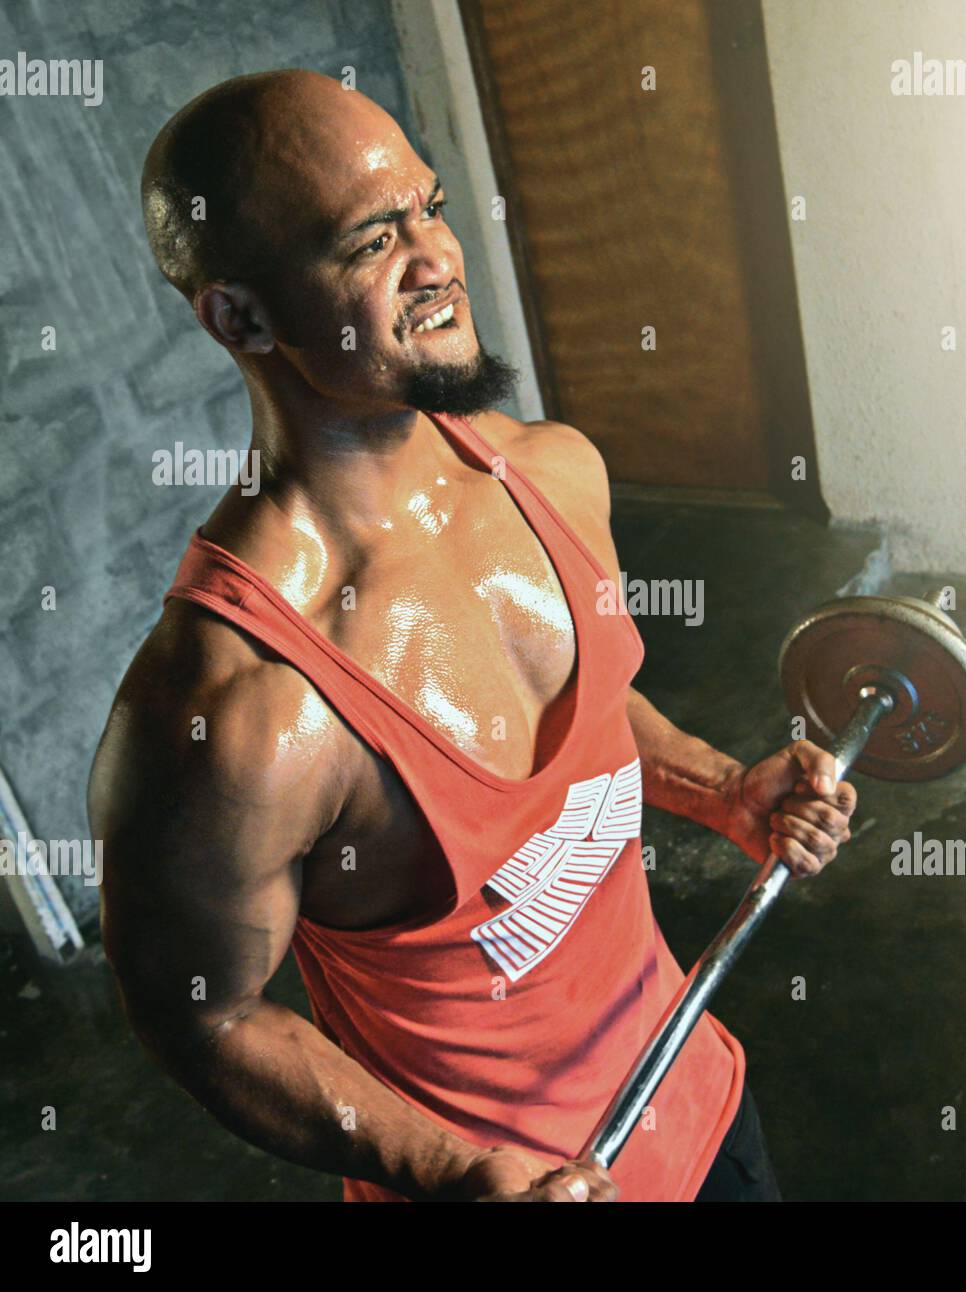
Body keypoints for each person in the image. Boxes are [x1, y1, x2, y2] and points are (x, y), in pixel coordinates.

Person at [88, 69, 857, 1202]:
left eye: (431, 208)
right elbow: (205, 1018)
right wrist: (448, 1171)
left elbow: (591, 718)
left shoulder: (550, 475)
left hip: (692, 1093)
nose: (439, 257)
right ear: (241, 316)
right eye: (369, 241)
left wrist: (724, 789)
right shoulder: (240, 707)